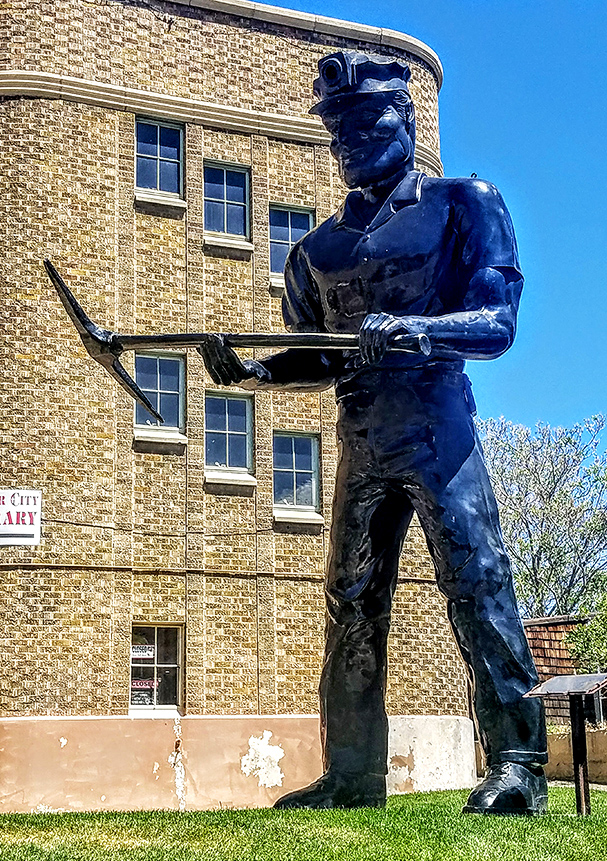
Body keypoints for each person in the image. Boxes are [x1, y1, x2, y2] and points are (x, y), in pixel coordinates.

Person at [200, 51, 548, 815]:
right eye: (339, 131)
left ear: (407, 118)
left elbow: (497, 323)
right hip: (362, 438)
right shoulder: (316, 251)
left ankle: (519, 762)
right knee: (352, 600)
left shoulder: (465, 203)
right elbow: (313, 357)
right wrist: (252, 373)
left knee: (477, 581)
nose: (353, 140)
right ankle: (352, 772)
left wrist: (418, 331)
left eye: (369, 121)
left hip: (439, 429)